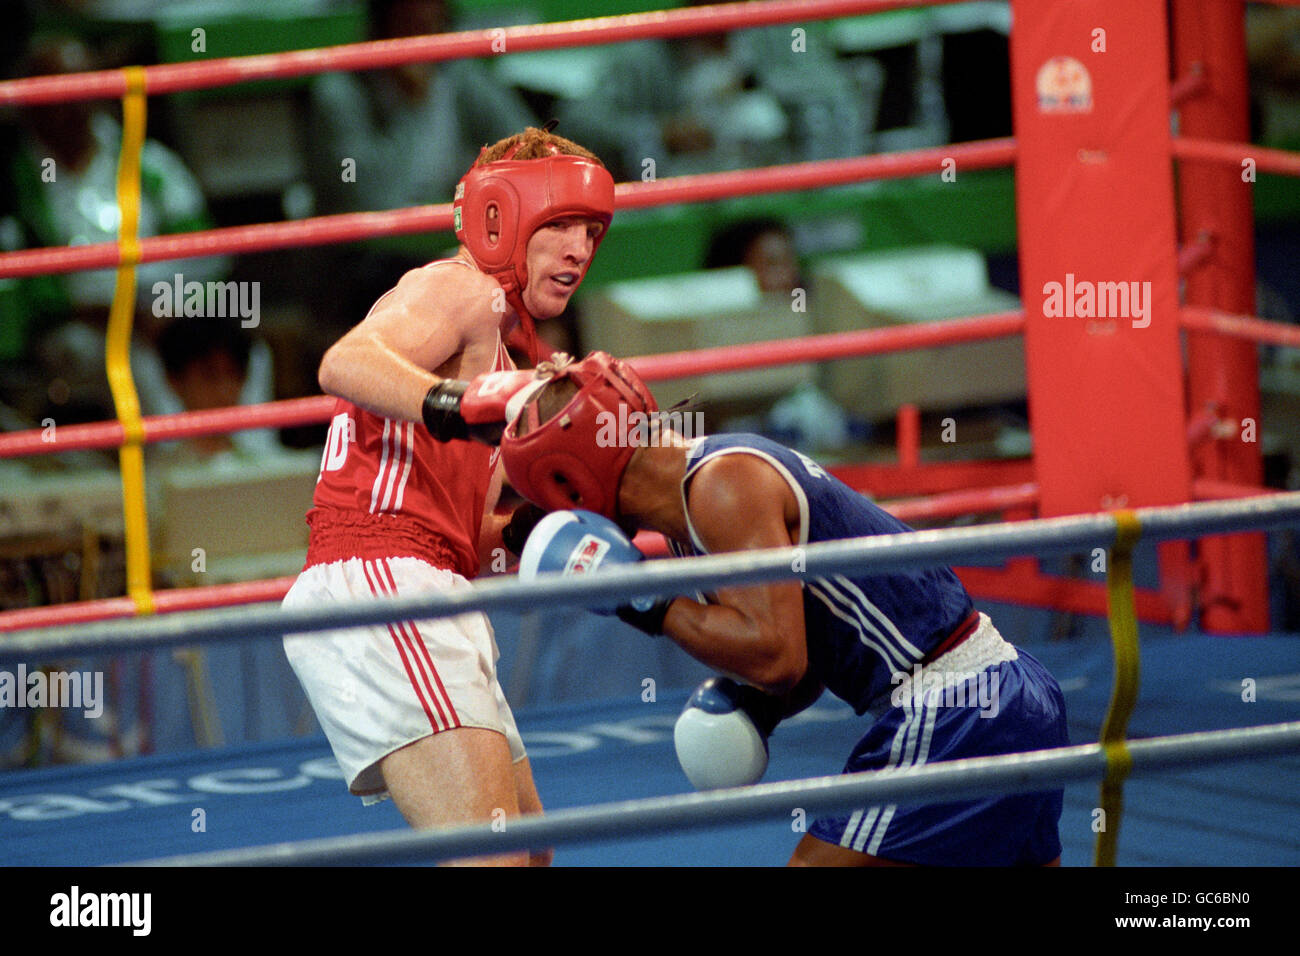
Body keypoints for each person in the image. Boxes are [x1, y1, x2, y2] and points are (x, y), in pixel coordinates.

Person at [500, 352, 1069, 867]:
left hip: (955, 709)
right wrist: (754, 707)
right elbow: (803, 658)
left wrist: (639, 595)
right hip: (1004, 694)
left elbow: (778, 659)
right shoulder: (695, 505)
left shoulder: (722, 486)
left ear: (570, 480)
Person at [280, 126, 615, 866]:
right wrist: (463, 401)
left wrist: (546, 528)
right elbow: (345, 361)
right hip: (383, 582)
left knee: (527, 854)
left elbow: (466, 529)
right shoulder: (460, 289)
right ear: (502, 217)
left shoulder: (501, 346)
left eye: (590, 230)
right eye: (559, 224)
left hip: (427, 578)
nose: (579, 250)